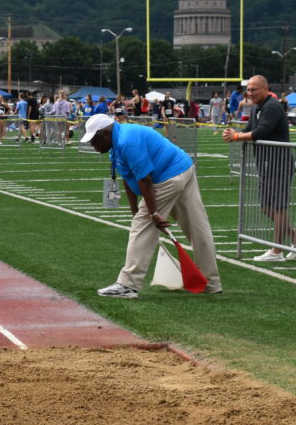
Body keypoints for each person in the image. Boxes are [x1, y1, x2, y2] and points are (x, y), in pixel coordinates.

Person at [82, 113, 222, 299]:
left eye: (94, 140)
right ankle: (211, 282)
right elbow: (128, 178)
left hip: (168, 177)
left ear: (105, 133)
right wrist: (135, 211)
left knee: (142, 228)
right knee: (197, 228)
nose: (92, 145)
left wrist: (153, 213)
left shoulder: (126, 143)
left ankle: (128, 284)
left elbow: (145, 180)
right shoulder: (118, 143)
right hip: (184, 168)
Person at [223, 75, 296, 262]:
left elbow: (261, 132)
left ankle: (277, 251)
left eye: (254, 89)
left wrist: (237, 137)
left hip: (278, 163)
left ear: (265, 89)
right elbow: (250, 128)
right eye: (248, 90)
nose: (250, 93)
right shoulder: (258, 107)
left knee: (278, 207)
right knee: (266, 208)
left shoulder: (272, 106)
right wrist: (234, 133)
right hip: (266, 163)